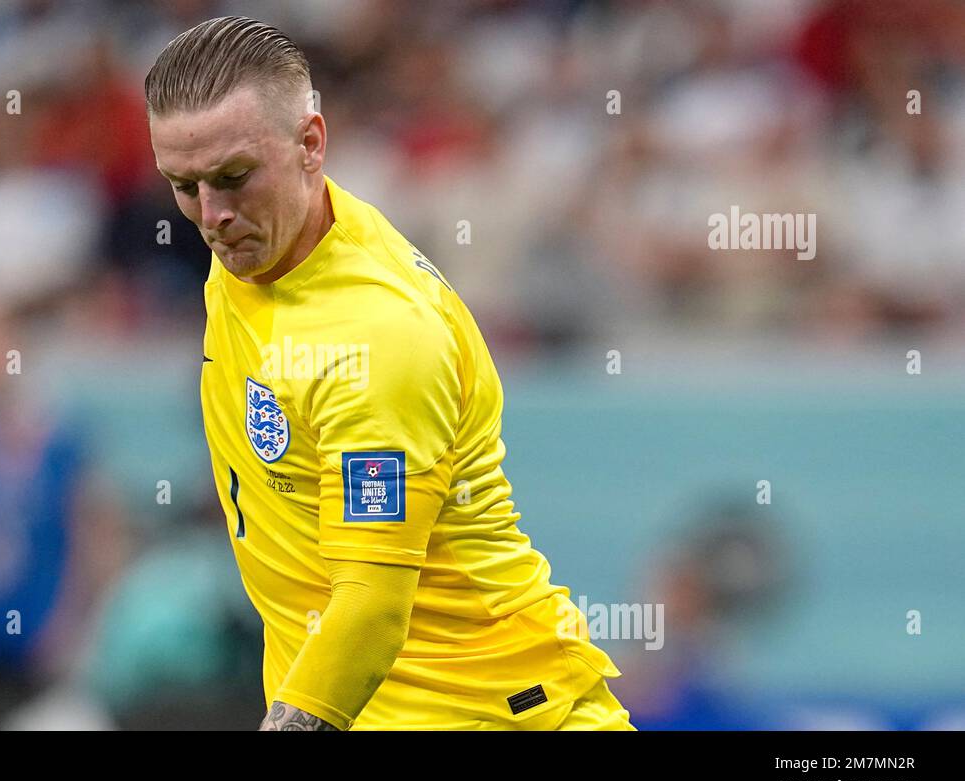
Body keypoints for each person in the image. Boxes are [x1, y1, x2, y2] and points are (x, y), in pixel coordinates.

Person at [145, 16, 633, 731]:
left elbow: (370, 607)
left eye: (232, 178)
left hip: (489, 716)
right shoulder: (256, 245)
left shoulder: (375, 337)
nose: (211, 215)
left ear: (312, 143)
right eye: (182, 186)